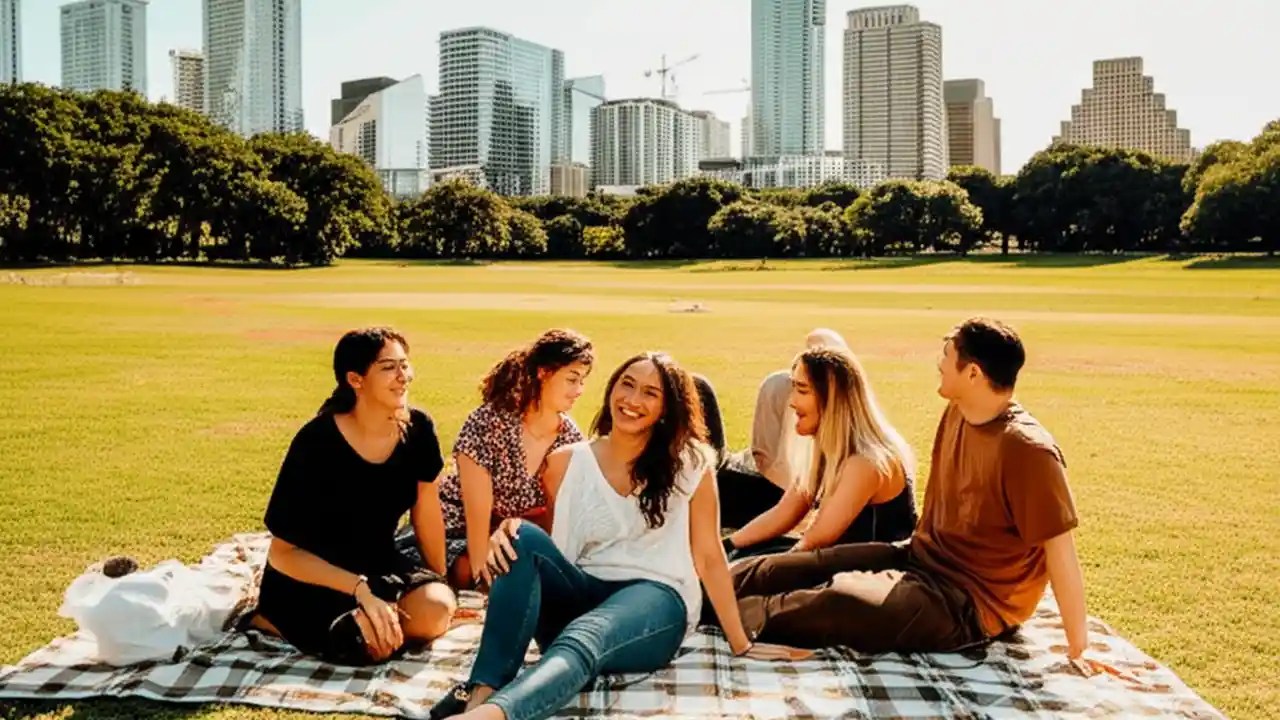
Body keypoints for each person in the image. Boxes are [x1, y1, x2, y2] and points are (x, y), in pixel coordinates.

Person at [427, 352, 810, 720]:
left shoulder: (692, 463)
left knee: (586, 634)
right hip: (580, 592)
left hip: (654, 602)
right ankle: (480, 693)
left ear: (667, 408)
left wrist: (741, 642)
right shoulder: (565, 461)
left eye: (650, 392)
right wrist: (509, 533)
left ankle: (489, 717)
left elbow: (709, 557)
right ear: (611, 389)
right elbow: (551, 548)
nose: (632, 399)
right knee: (519, 536)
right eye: (626, 385)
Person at [729, 318, 1100, 667]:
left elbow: (1060, 550)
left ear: (973, 373)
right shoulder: (957, 412)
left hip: (970, 603)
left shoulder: (1028, 450)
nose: (939, 363)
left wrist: (1077, 649)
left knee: (839, 599)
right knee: (798, 566)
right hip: (919, 556)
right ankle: (702, 592)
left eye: (947, 356)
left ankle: (722, 613)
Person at [251, 327, 456, 665]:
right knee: (370, 646)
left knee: (436, 610)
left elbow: (426, 511)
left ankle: (374, 615)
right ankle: (273, 619)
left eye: (405, 365)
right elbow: (284, 554)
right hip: (314, 575)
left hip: (379, 562)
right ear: (355, 379)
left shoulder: (418, 429)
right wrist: (360, 590)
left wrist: (439, 578)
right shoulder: (316, 442)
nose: (403, 376)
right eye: (388, 367)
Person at [398, 329, 593, 590]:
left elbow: (558, 519)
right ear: (543, 372)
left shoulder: (570, 438)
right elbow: (476, 514)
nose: (579, 390)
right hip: (460, 528)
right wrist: (482, 579)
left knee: (525, 575)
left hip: (515, 538)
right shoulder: (489, 422)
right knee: (478, 572)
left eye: (582, 381)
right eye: (572, 379)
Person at [720, 345, 917, 559]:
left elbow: (815, 541)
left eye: (802, 390)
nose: (792, 402)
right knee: (741, 555)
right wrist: (727, 545)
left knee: (740, 572)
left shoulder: (865, 463)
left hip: (869, 574)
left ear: (833, 400)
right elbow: (783, 514)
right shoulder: (826, 453)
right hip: (835, 561)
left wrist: (752, 568)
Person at [701, 328, 849, 529]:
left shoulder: (860, 457)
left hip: (766, 490)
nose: (794, 401)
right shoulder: (782, 388)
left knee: (699, 387)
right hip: (767, 482)